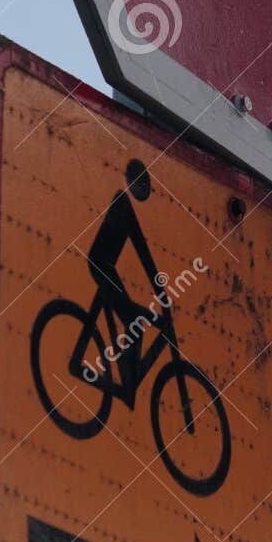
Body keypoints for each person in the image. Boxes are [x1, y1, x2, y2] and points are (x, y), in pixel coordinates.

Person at [85, 159, 165, 391]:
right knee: (134, 319)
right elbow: (141, 249)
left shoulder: (126, 205)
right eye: (142, 187)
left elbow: (141, 250)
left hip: (106, 265)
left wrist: (159, 289)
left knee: (135, 315)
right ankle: (127, 381)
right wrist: (159, 289)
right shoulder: (124, 204)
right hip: (101, 265)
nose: (144, 193)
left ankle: (127, 379)